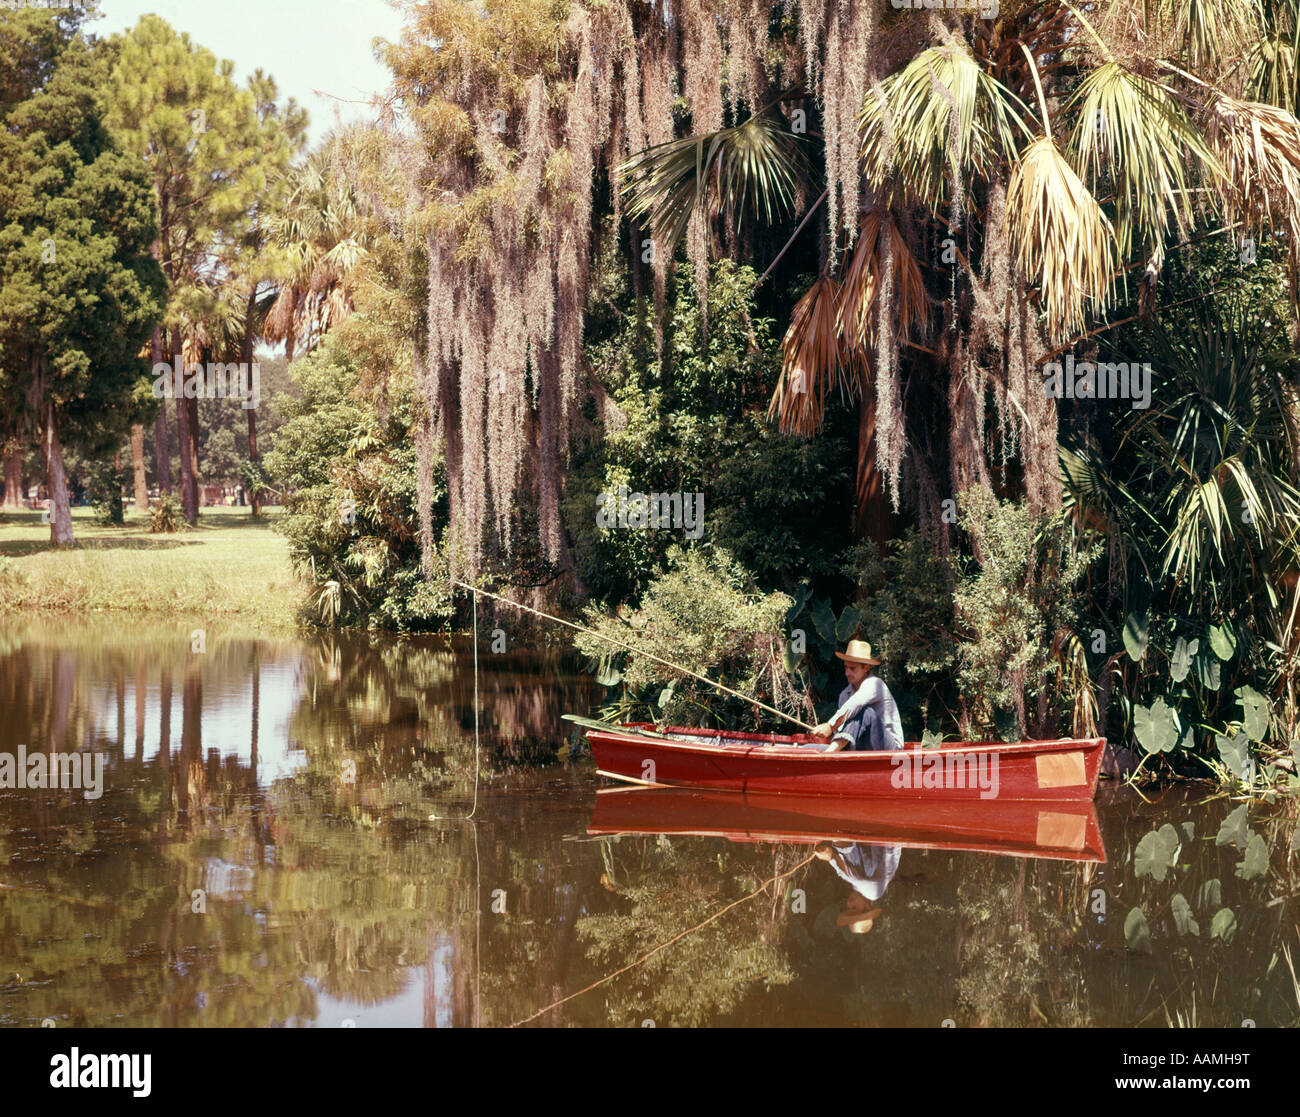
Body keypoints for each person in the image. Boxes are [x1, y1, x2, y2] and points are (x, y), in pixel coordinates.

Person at [812, 639, 904, 753]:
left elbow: (854, 704)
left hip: (891, 748)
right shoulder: (845, 694)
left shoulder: (875, 684)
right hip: (863, 744)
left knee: (865, 712)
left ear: (866, 668)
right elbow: (845, 729)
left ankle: (828, 754)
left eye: (852, 668)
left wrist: (830, 726)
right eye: (846, 667)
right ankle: (829, 752)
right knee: (807, 748)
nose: (847, 673)